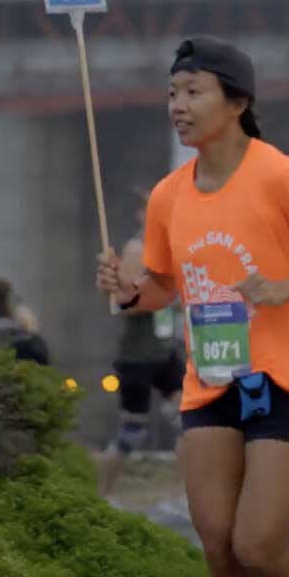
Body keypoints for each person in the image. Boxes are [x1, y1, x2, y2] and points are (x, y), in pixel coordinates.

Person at [94, 36, 289, 577]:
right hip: (211, 383)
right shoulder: (169, 196)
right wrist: (126, 293)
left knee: (259, 545)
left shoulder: (280, 176)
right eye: (172, 93)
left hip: (284, 382)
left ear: (237, 103)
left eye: (194, 92)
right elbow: (165, 288)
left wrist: (284, 288)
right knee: (219, 546)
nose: (178, 106)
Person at [99, 189, 187, 500]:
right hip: (137, 356)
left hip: (164, 352)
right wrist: (164, 297)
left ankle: (186, 497)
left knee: (189, 423)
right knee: (131, 434)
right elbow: (125, 302)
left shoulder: (169, 248)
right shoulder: (137, 250)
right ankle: (104, 495)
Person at [0, 278, 51, 365]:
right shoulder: (6, 329)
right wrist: (33, 332)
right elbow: (39, 359)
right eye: (14, 300)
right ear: (4, 302)